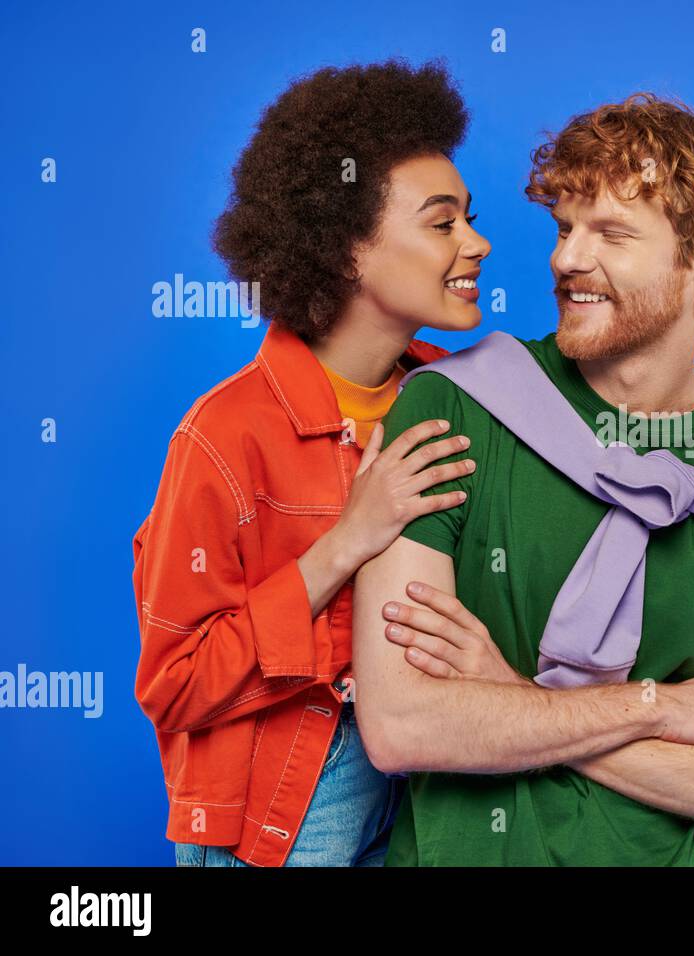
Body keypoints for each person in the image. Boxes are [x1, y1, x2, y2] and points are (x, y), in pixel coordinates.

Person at [350, 93, 694, 866]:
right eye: (565, 227)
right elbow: (402, 725)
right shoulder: (453, 411)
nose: (567, 259)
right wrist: (657, 708)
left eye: (611, 233)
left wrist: (511, 697)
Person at [132, 60, 487, 867]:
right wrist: (343, 545)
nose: (478, 243)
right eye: (443, 223)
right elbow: (175, 683)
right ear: (348, 251)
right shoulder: (225, 435)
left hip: (420, 803)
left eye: (472, 218)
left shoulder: (457, 400)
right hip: (279, 820)